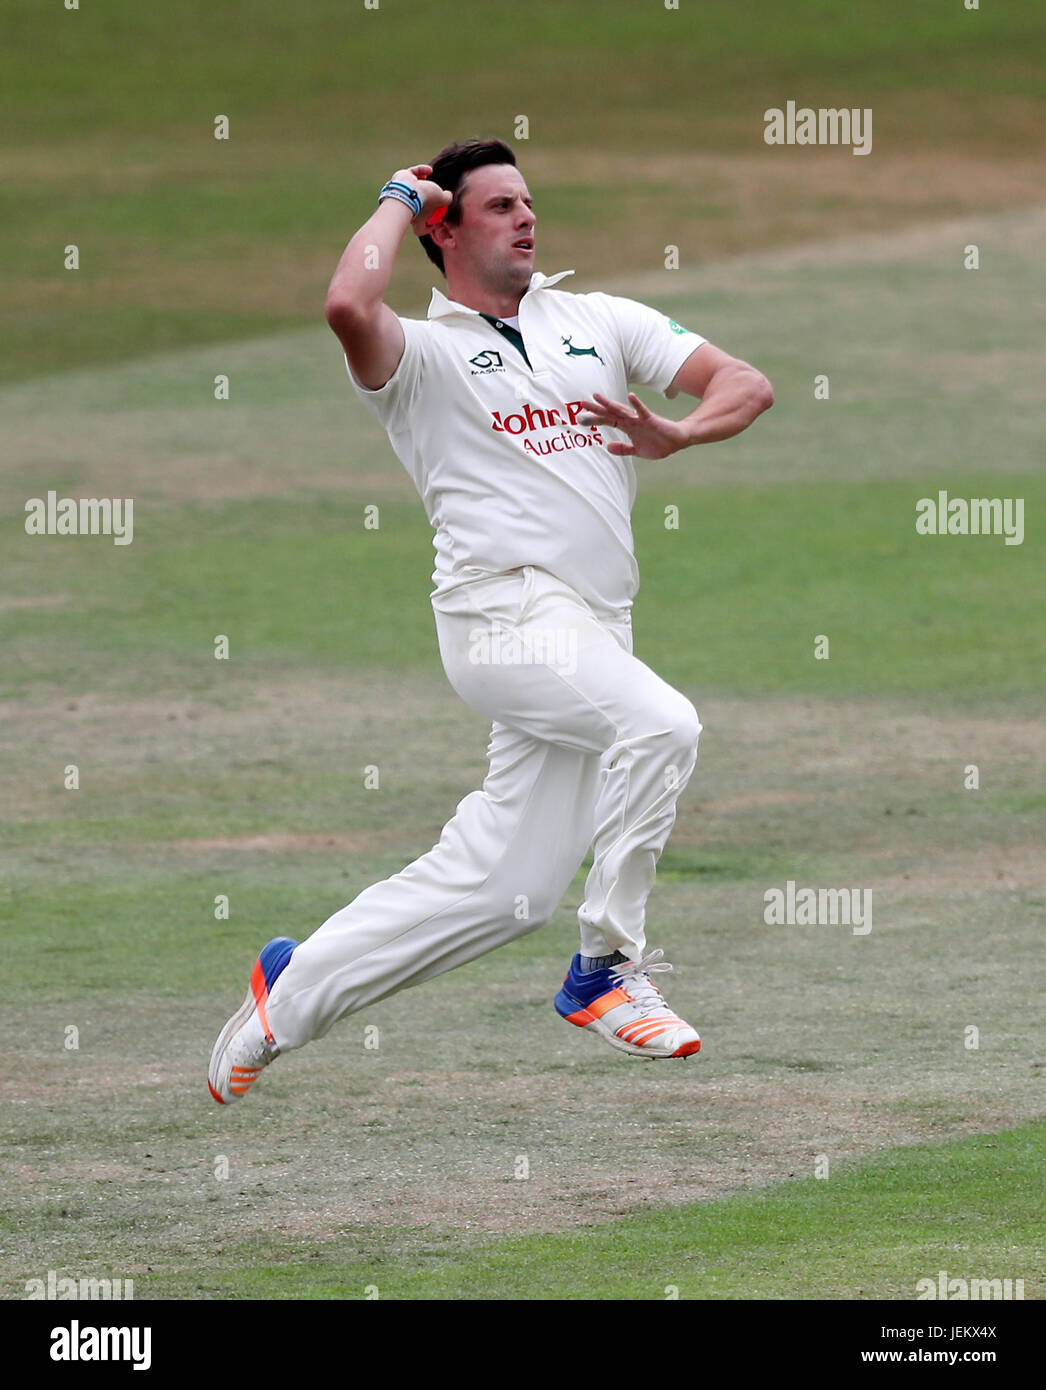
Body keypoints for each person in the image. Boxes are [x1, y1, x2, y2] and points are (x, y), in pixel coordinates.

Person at [208, 137, 773, 1104]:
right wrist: (399, 196)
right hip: (500, 612)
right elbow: (346, 303)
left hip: (592, 630)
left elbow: (745, 384)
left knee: (505, 890)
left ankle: (290, 991)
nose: (527, 217)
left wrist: (679, 431)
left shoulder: (598, 319)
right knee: (662, 725)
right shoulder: (416, 354)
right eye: (501, 205)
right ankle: (605, 971)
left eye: (528, 201)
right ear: (445, 229)